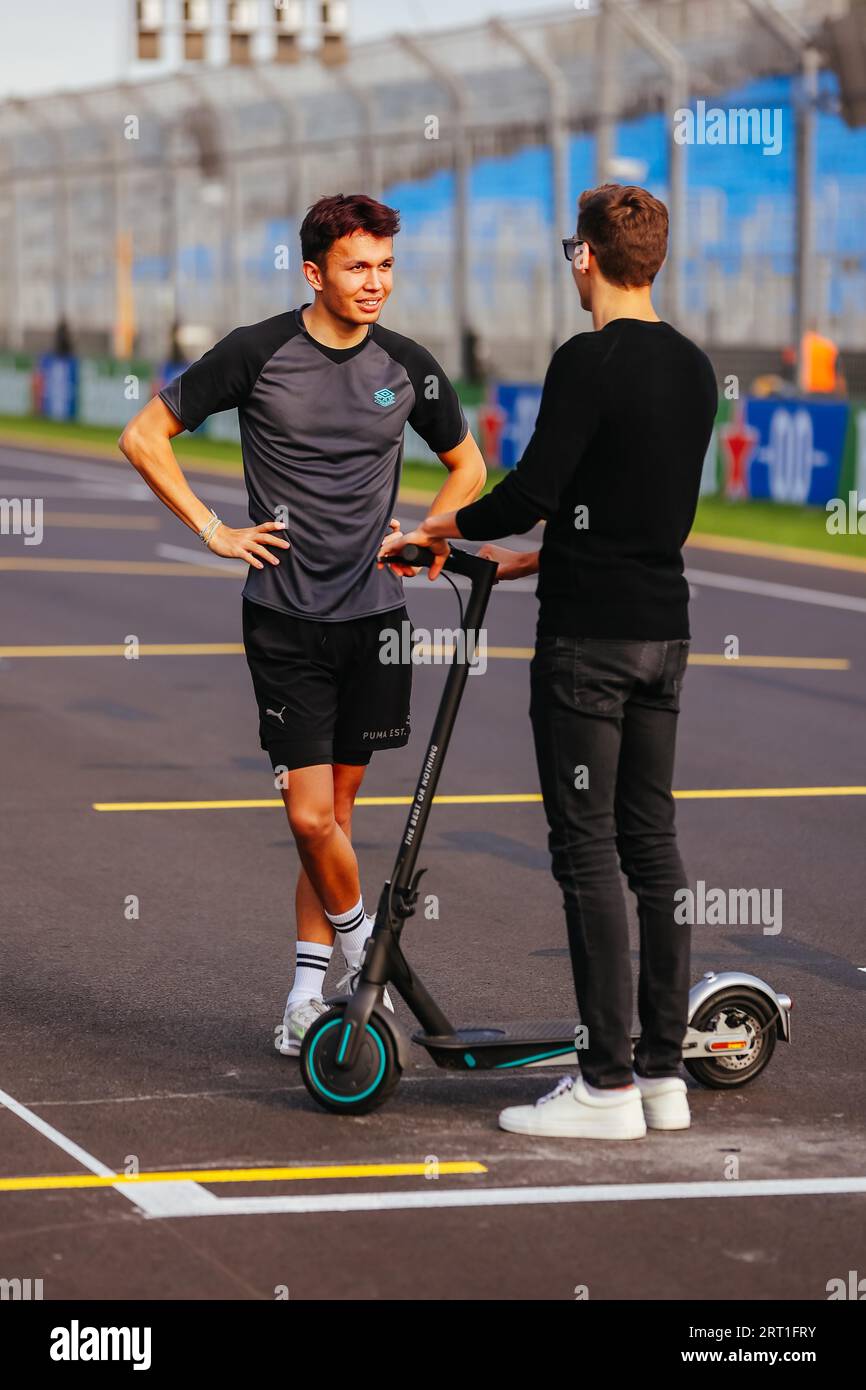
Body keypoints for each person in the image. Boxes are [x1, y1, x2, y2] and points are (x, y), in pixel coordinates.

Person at [381, 184, 718, 1141]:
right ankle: (660, 1077)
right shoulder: (694, 369)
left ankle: (605, 1086)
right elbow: (629, 503)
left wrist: (436, 525)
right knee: (652, 845)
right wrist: (547, 553)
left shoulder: (586, 358)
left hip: (590, 643)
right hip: (664, 626)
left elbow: (531, 488)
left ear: (586, 258)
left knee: (587, 854)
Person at [119, 193, 486, 1056]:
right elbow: (145, 436)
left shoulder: (409, 364)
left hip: (376, 621)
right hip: (285, 620)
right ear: (314, 273)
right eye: (358, 267)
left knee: (338, 821)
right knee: (309, 817)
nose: (376, 283)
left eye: (387, 266)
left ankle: (301, 999)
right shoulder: (257, 351)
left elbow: (468, 465)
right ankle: (365, 953)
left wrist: (428, 533)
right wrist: (214, 531)